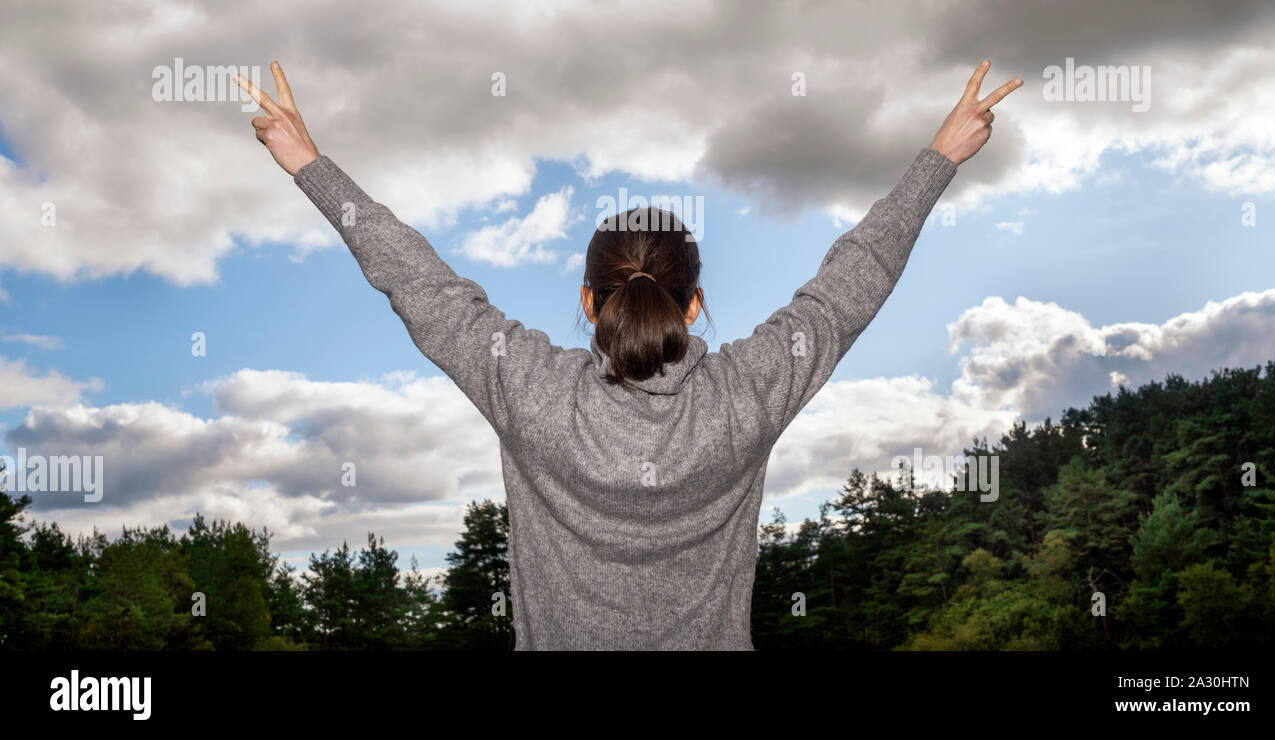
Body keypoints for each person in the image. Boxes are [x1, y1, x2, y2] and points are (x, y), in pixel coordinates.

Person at [236, 60, 1021, 650]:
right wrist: (939, 158)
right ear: (695, 304)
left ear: (588, 303)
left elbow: (421, 284)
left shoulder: (529, 391)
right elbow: (851, 286)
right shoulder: (747, 397)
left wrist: (307, 161)